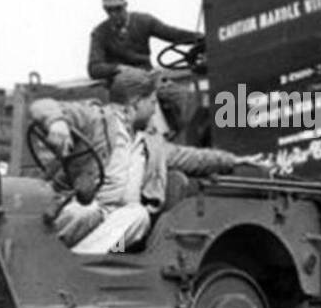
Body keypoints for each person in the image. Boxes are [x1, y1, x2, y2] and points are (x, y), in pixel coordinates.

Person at [29, 67, 243, 254]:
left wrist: (235, 160)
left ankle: (83, 265)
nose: (152, 110)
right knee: (84, 210)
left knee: (139, 216)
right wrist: (56, 123)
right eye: (151, 103)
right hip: (82, 219)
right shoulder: (96, 119)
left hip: (119, 242)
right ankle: (46, 257)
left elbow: (193, 158)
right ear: (135, 103)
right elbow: (42, 105)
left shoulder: (152, 142)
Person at [86, 0, 204, 81]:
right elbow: (94, 68)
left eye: (117, 9)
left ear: (125, 5)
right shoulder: (99, 34)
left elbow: (173, 34)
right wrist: (118, 68)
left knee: (179, 97)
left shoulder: (143, 21)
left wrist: (202, 38)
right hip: (123, 83)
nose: (113, 14)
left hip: (148, 77)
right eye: (109, 10)